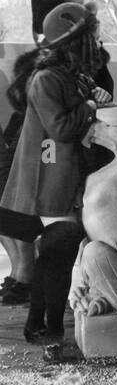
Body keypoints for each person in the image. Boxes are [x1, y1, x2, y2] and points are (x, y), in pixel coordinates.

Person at [0, 3, 113, 361]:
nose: (96, 44)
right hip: (50, 181)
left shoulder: (71, 76)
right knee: (58, 256)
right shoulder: (47, 79)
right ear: (73, 42)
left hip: (65, 178)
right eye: (90, 38)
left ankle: (40, 326)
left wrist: (97, 98)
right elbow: (62, 128)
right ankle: (50, 331)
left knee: (53, 256)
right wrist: (92, 106)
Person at [0, 48, 40, 305]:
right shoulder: (20, 117)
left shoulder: (44, 118)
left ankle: (26, 270)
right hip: (19, 185)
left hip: (44, 189)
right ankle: (18, 268)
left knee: (12, 207)